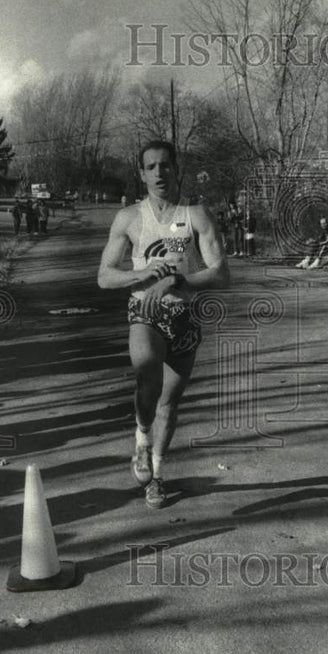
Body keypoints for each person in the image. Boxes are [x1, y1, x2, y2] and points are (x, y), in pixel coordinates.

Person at [98, 140, 230, 509]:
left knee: (169, 405)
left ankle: (156, 475)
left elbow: (222, 274)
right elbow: (104, 277)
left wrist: (181, 280)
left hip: (183, 316)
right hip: (145, 312)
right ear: (141, 173)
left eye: (165, 166)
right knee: (147, 373)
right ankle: (142, 437)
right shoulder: (128, 218)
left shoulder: (197, 215)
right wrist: (141, 274)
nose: (159, 173)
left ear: (176, 169)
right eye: (151, 167)